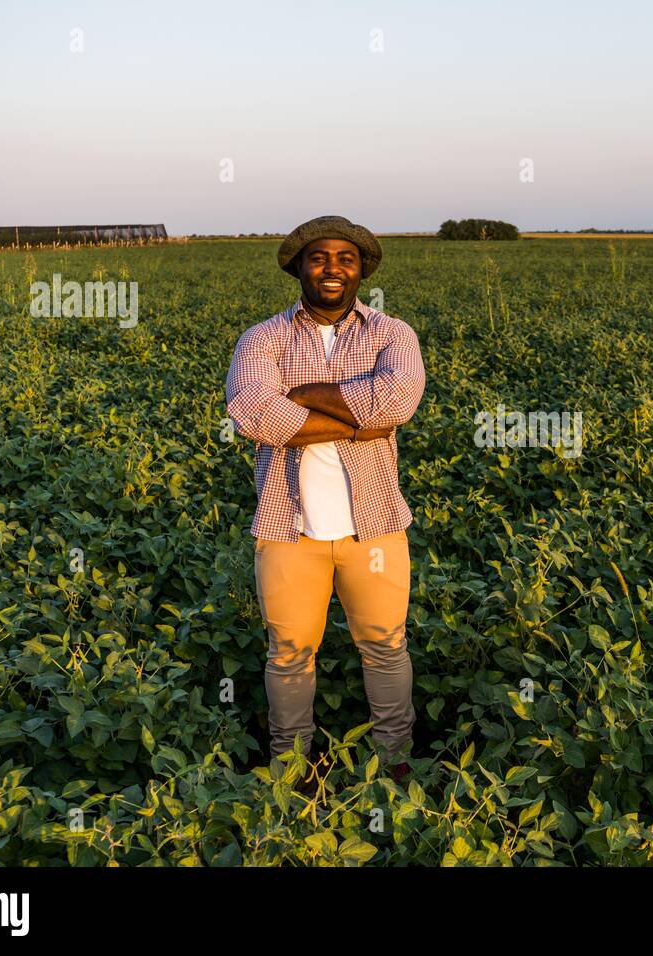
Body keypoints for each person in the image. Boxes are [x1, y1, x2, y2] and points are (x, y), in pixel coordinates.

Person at [225, 215, 425, 786]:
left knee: (385, 649)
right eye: (319, 258)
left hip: (377, 524)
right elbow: (252, 414)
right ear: (299, 267)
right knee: (288, 655)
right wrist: (360, 423)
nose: (332, 268)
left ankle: (395, 762)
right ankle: (292, 769)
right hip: (288, 526)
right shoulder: (263, 338)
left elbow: (399, 401)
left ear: (362, 269)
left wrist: (303, 400)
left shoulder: (393, 335)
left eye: (345, 258)